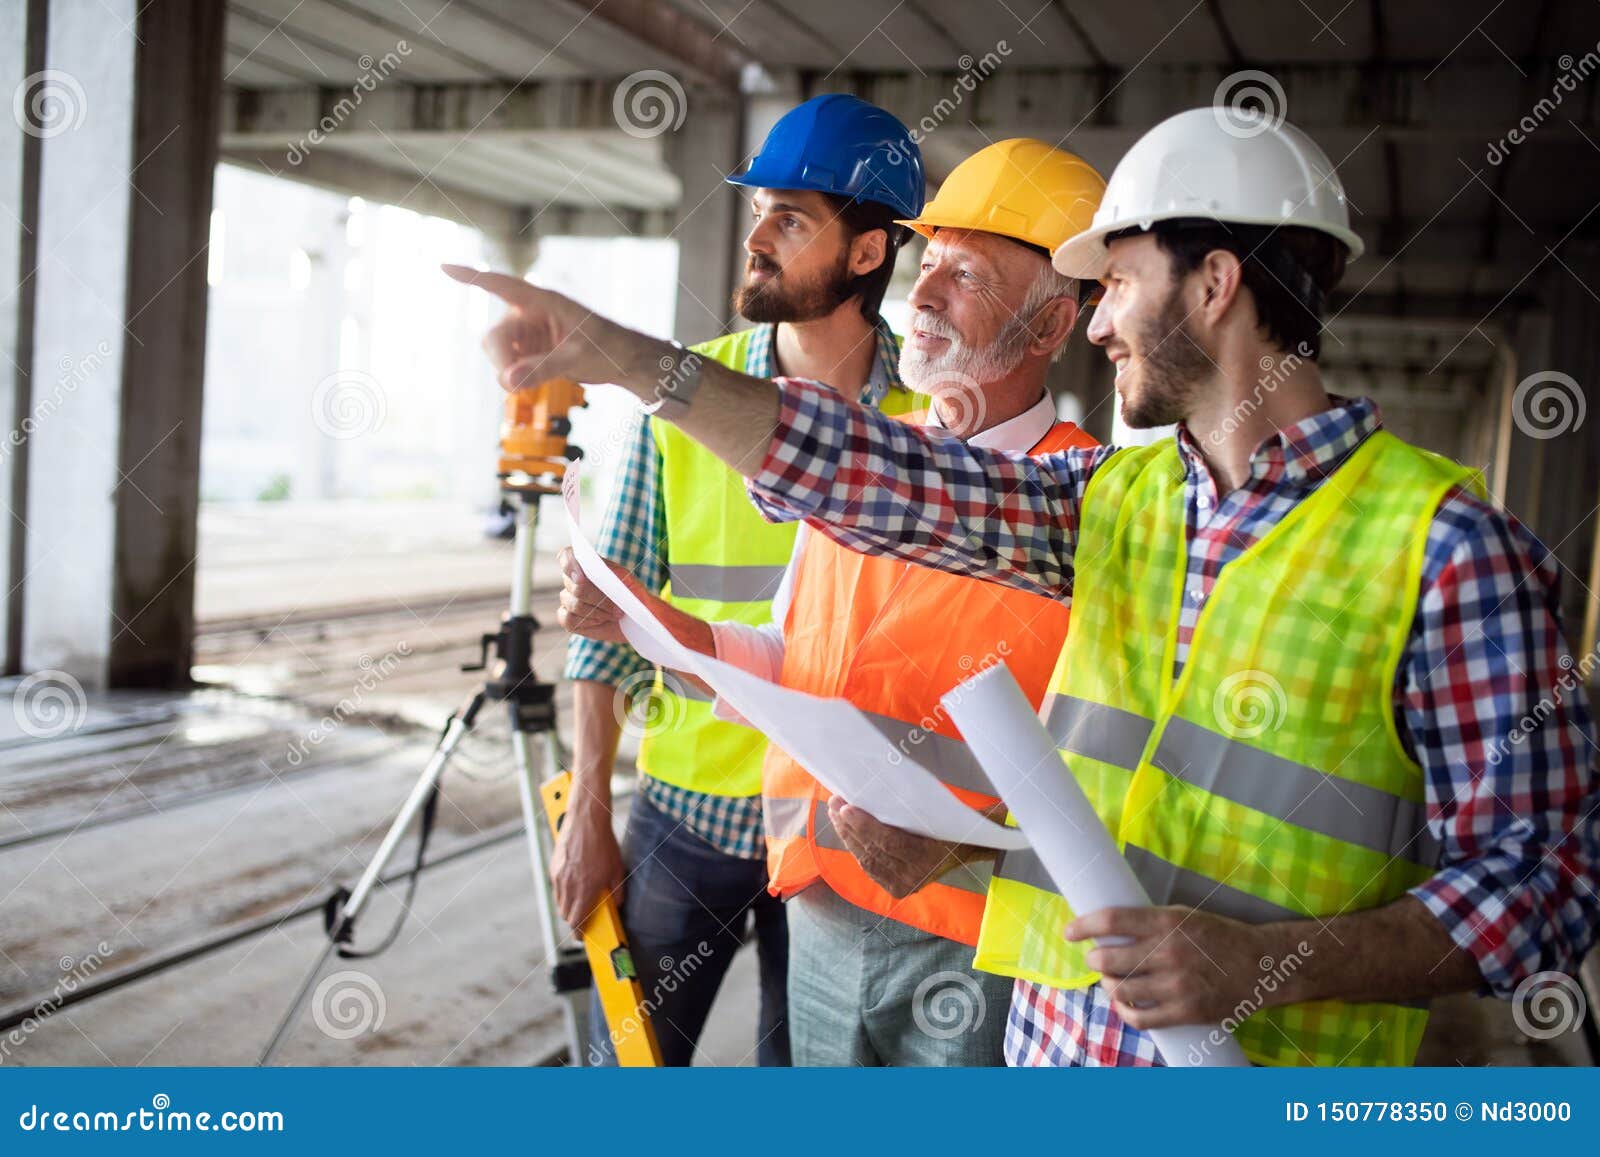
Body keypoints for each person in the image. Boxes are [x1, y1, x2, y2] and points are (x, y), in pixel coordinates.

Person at [447, 105, 1600, 1068]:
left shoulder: (1449, 552)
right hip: (1051, 1054)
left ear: (1211, 284)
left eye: (1117, 284)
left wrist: (1261, 963)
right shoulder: (1116, 503)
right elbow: (869, 470)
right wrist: (627, 358)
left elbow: (1546, 884)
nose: (1095, 322)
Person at [558, 141, 1106, 1066]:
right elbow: (789, 650)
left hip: (973, 940)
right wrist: (654, 627)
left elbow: (1111, 774)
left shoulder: (1091, 500)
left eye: (963, 275)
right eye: (926, 265)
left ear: (1051, 324)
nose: (922, 296)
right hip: (819, 902)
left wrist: (972, 854)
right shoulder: (872, 457)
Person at [551, 94, 926, 1066]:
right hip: (687, 817)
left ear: (867, 252)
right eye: (761, 209)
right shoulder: (682, 396)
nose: (755, 236)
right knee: (626, 1076)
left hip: (840, 835)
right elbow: (606, 620)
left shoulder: (927, 430)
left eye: (791, 217)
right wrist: (590, 806)